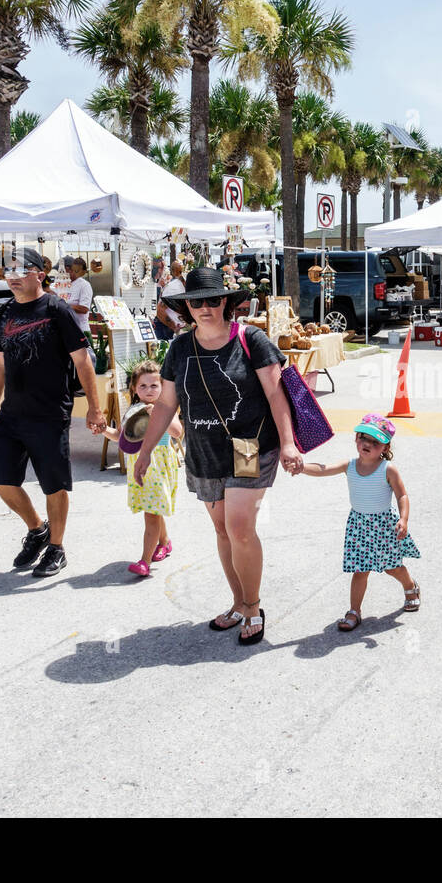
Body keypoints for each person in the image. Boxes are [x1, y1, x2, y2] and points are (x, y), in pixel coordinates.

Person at [133, 266, 303, 646]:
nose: (205, 308)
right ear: (187, 308)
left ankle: (255, 606)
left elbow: (276, 395)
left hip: (250, 446)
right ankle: (238, 603)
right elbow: (165, 405)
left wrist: (289, 443)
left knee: (240, 526)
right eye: (197, 303)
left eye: (213, 300)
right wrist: (145, 451)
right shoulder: (180, 348)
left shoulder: (251, 339)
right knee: (223, 529)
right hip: (204, 450)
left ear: (225, 302)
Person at [0, 248, 106, 577]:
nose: (13, 276)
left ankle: (57, 547)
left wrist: (95, 408)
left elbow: (83, 361)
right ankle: (37, 529)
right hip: (12, 413)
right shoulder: (4, 312)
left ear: (40, 273)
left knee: (54, 484)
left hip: (50, 412)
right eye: (8, 270)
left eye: (21, 270)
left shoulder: (56, 309)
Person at [302, 414, 421, 631]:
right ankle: (354, 611)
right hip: (358, 526)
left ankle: (410, 586)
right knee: (360, 570)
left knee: (392, 567)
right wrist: (301, 467)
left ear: (385, 447)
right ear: (356, 439)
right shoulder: (350, 465)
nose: (366, 444)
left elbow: (402, 495)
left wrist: (403, 519)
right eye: (363, 438)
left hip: (385, 526)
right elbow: (324, 468)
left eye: (375, 442)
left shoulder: (388, 469)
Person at [95, 360, 183, 577]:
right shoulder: (133, 410)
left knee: (151, 513)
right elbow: (121, 438)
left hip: (159, 465)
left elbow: (177, 432)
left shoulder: (166, 408)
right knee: (152, 509)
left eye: (154, 385)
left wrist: (156, 413)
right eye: (143, 386)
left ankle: (145, 561)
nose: (149, 390)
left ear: (163, 386)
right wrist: (105, 429)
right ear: (134, 388)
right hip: (140, 466)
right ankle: (164, 542)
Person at [155, 260, 187, 339]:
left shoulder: (181, 286)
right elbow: (160, 310)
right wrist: (174, 326)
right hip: (166, 327)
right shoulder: (175, 288)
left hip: (173, 326)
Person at [66, 257, 94, 339]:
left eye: (64, 271)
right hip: (65, 331)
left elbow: (84, 309)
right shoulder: (62, 284)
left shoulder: (84, 285)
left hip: (80, 331)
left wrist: (64, 305)